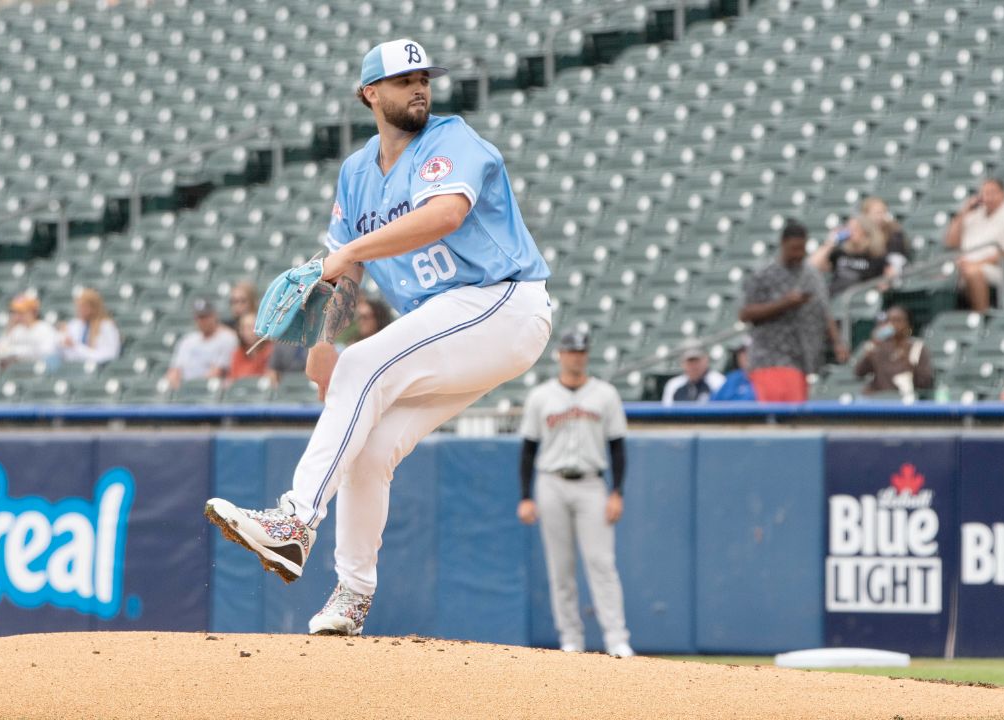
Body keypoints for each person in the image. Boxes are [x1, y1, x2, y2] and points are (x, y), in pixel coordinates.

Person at [205, 38, 552, 637]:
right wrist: (320, 346)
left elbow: (441, 216)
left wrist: (347, 257)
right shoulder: (356, 172)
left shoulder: (452, 140)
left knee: (365, 363)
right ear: (370, 93)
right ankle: (353, 595)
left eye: (424, 77)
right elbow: (350, 274)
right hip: (454, 325)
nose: (419, 87)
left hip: (503, 302)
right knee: (369, 446)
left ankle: (294, 522)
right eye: (403, 79)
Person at [517, 330, 634, 658]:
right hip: (551, 481)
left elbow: (618, 447)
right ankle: (570, 638)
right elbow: (528, 450)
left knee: (602, 563)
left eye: (581, 351)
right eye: (571, 351)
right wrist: (525, 496)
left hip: (591, 484)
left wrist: (617, 492)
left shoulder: (605, 394)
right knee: (560, 566)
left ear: (587, 354)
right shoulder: (541, 396)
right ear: (560, 355)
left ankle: (616, 638)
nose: (576, 356)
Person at [739, 221, 849, 402]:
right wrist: (784, 303)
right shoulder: (765, 275)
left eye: (802, 248)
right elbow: (745, 314)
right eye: (794, 248)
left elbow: (824, 310)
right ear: (783, 244)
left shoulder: (812, 274)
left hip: (804, 357)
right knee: (782, 416)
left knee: (795, 417)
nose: (798, 253)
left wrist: (837, 342)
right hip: (771, 357)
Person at [943, 178, 1004, 314]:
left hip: (1003, 269)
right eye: (985, 193)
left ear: (1003, 193)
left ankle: (982, 317)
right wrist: (963, 212)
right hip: (964, 267)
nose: (988, 197)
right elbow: (951, 242)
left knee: (973, 272)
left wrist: (974, 263)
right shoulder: (974, 215)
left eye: (992, 192)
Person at [853, 306, 934, 397]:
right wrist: (871, 347)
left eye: (897, 320)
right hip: (880, 401)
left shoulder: (917, 348)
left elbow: (926, 382)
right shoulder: (879, 348)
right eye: (888, 321)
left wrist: (909, 365)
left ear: (908, 324)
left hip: (906, 402)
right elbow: (859, 373)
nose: (892, 324)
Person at [808, 216, 899, 296]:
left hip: (859, 299)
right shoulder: (840, 253)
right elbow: (811, 265)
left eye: (854, 228)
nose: (850, 231)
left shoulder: (876, 256)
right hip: (836, 297)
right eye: (848, 228)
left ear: (865, 231)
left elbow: (890, 276)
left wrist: (881, 286)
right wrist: (830, 243)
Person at [164, 298, 238, 390]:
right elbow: (174, 370)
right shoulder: (187, 340)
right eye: (198, 317)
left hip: (209, 390)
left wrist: (194, 388)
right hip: (184, 389)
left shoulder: (227, 338)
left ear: (214, 316)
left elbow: (218, 372)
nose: (201, 321)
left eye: (205, 316)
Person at [0, 294, 59, 370]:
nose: (17, 316)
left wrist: (16, 352)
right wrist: (9, 330)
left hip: (39, 369)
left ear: (33, 312)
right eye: (14, 312)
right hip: (19, 370)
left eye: (21, 312)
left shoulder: (44, 328)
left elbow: (48, 353)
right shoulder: (16, 330)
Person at [58, 288, 121, 364]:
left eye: (84, 306)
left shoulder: (107, 326)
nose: (80, 310)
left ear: (94, 307)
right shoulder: (74, 324)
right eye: (79, 306)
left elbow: (109, 355)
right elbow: (68, 354)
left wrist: (76, 346)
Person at [661, 345, 725, 404]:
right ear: (683, 364)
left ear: (706, 360)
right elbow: (666, 412)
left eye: (697, 361)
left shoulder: (719, 382)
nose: (694, 366)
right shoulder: (674, 384)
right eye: (690, 361)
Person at [860, 196, 910, 273]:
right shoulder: (859, 232)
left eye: (883, 212)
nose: (880, 216)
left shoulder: (894, 232)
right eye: (877, 213)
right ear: (866, 214)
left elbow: (896, 260)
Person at [228, 312, 272, 384]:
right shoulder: (237, 353)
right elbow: (232, 379)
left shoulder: (270, 351)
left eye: (253, 327)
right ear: (240, 331)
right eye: (245, 328)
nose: (250, 332)